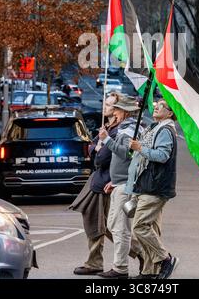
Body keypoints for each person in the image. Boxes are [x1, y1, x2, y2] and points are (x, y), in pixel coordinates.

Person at [125, 99, 179, 279]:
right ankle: (149, 271)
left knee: (139, 226)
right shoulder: (155, 128)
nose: (156, 107)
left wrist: (140, 148)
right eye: (156, 105)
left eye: (161, 106)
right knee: (151, 230)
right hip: (147, 185)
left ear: (170, 113)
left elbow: (162, 156)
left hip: (155, 187)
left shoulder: (164, 130)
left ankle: (166, 259)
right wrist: (138, 148)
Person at [69, 92, 121, 276]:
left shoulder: (116, 132)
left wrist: (98, 148)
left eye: (108, 104)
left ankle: (147, 256)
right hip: (98, 181)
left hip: (106, 183)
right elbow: (91, 149)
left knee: (106, 227)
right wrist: (96, 147)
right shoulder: (107, 127)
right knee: (97, 224)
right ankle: (94, 262)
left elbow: (101, 159)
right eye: (105, 103)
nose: (104, 107)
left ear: (117, 110)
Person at [97, 95, 144, 279]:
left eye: (116, 109)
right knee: (114, 225)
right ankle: (144, 257)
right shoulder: (129, 127)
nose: (114, 112)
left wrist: (107, 140)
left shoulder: (128, 130)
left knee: (119, 228)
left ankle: (121, 268)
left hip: (125, 185)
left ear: (124, 112)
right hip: (121, 183)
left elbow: (127, 154)